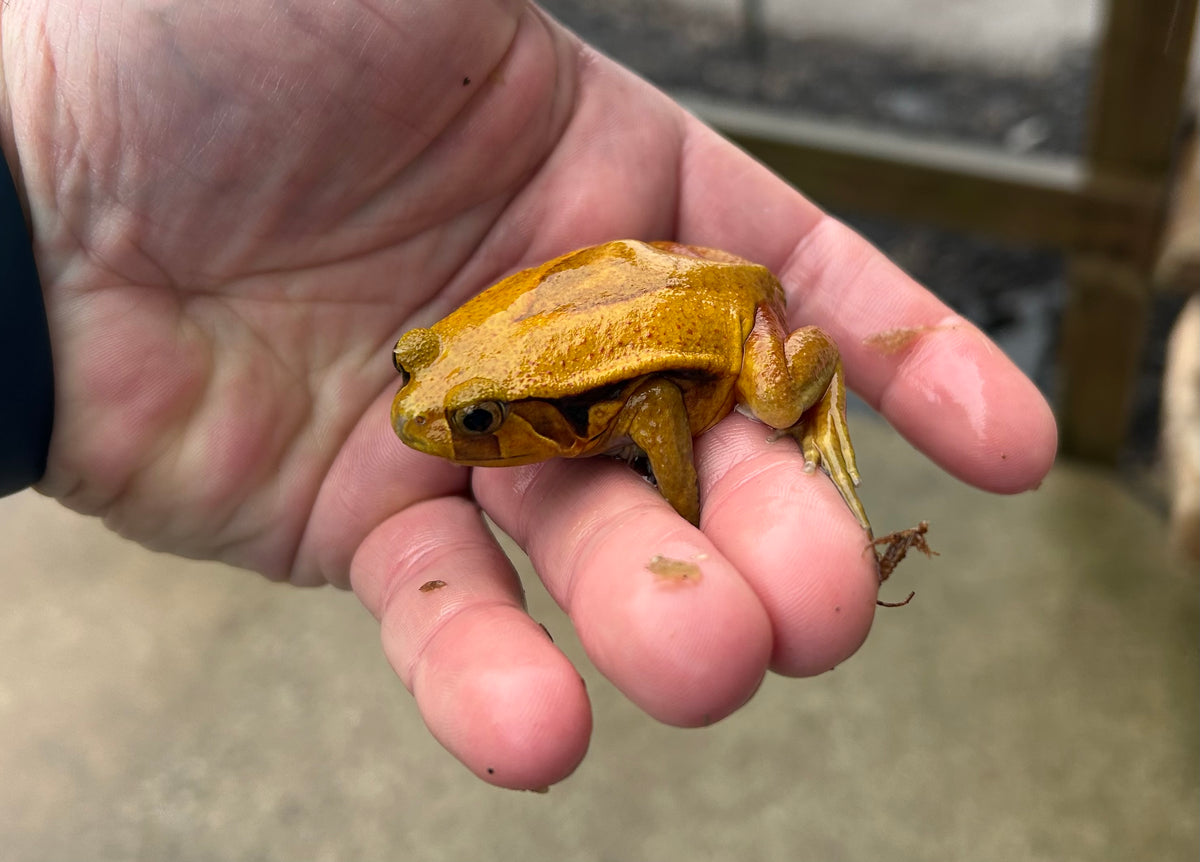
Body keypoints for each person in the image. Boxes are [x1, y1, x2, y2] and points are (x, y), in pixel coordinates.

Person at [0, 1, 1056, 789]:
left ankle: (816, 397)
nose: (420, 424)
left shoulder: (606, 395)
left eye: (469, 421)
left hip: (720, 328)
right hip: (640, 289)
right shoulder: (471, 347)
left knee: (773, 406)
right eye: (424, 376)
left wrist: (682, 494)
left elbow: (646, 408)